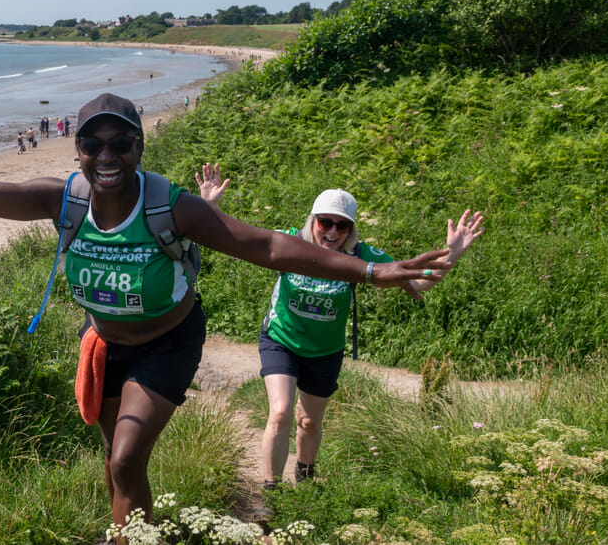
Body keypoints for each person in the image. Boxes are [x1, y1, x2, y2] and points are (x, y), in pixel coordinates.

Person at [0, 93, 451, 535]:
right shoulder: (64, 199)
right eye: (92, 143)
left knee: (126, 458)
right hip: (103, 343)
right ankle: (128, 533)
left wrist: (371, 271)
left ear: (138, 147)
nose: (107, 155)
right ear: (78, 149)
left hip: (167, 345)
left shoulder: (172, 208)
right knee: (116, 458)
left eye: (120, 143)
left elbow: (265, 246)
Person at [195, 164, 483, 522]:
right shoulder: (289, 241)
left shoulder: (362, 256)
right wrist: (211, 207)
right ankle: (270, 495)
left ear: (351, 229)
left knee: (308, 422)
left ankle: (306, 478)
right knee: (281, 412)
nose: (332, 232)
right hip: (281, 339)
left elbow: (416, 281)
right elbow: (236, 238)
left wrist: (453, 253)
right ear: (313, 220)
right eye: (325, 222)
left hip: (325, 351)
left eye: (341, 225)